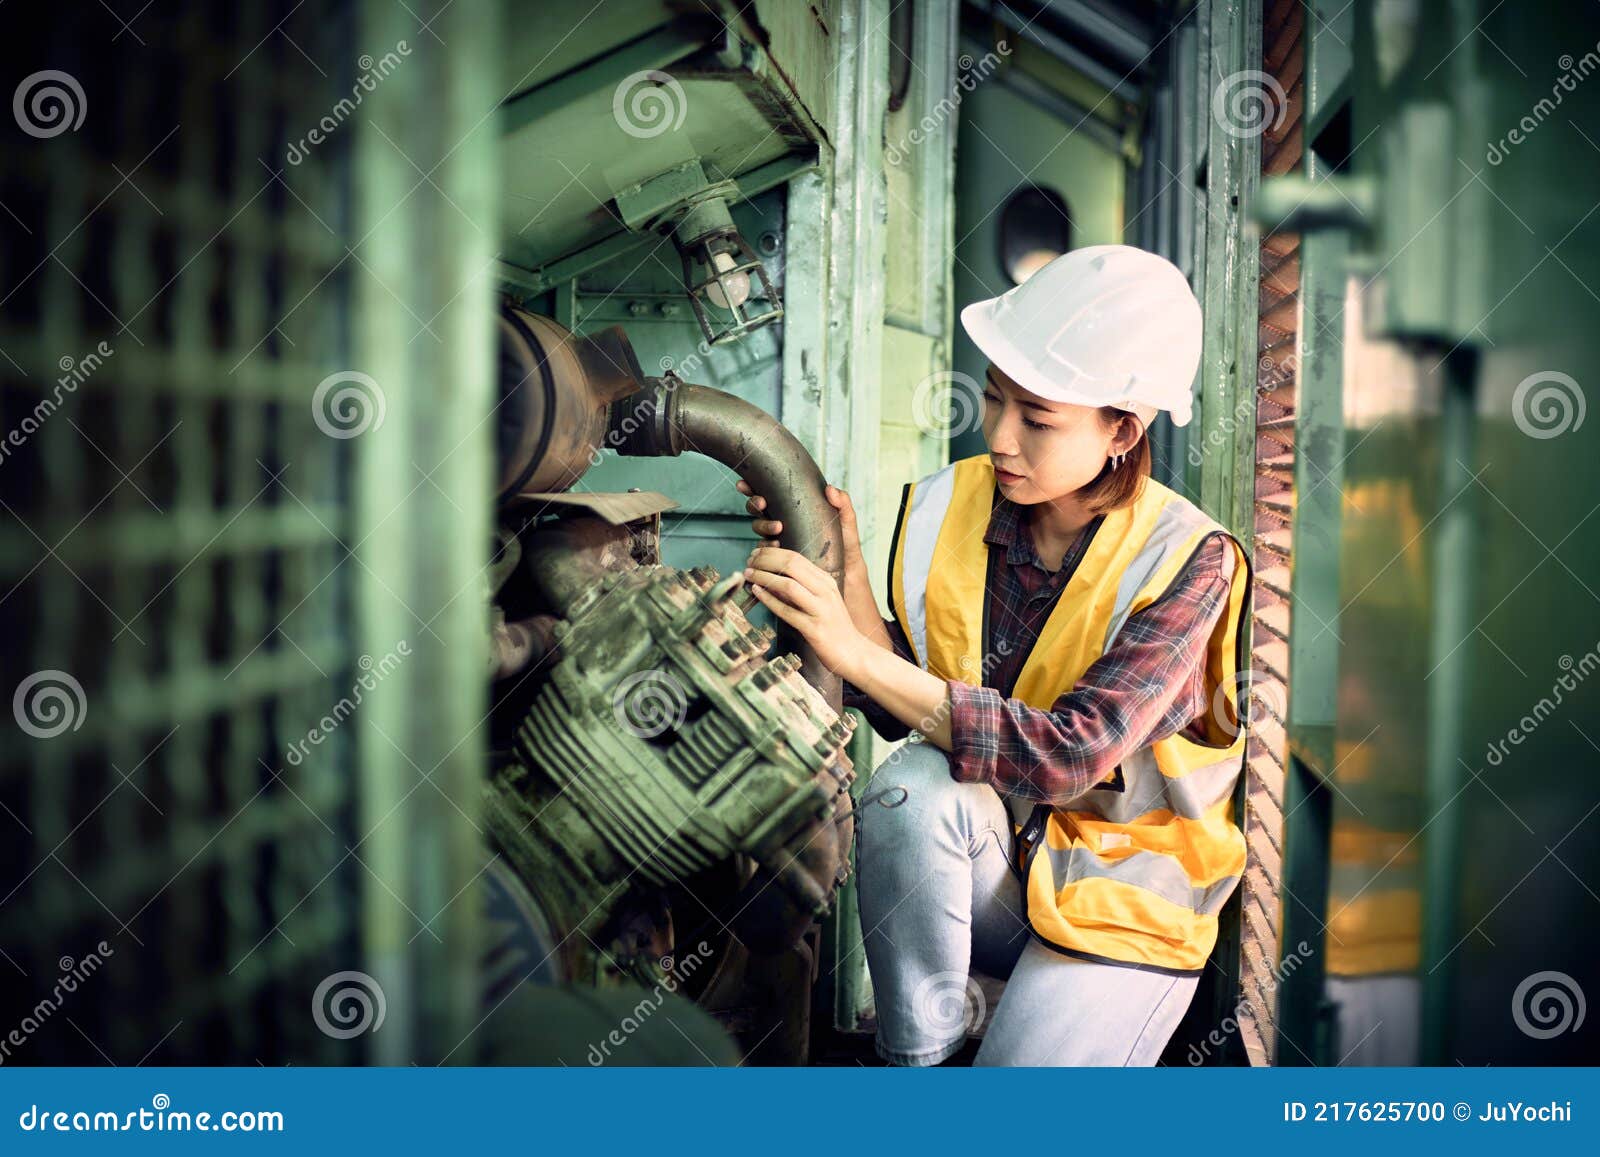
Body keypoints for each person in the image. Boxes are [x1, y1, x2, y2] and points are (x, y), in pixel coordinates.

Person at [737, 245, 1254, 1067]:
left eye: (1038, 418)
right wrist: (854, 579)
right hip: (997, 877)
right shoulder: (955, 500)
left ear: (1122, 428)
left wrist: (851, 648)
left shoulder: (1190, 559)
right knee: (911, 788)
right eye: (992, 398)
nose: (1000, 436)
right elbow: (899, 693)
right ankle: (917, 1062)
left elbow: (1067, 753)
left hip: (1122, 907)